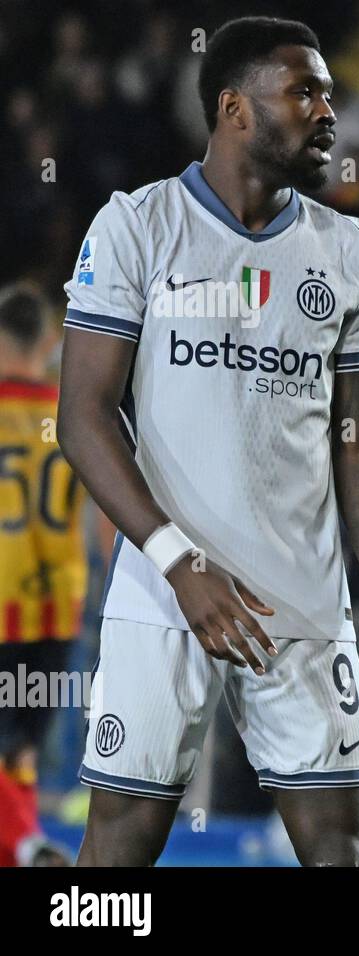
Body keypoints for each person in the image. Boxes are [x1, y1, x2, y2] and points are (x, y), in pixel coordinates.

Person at [56, 16, 359, 866]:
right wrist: (179, 563)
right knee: (121, 844)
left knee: (345, 849)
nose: (328, 111)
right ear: (234, 109)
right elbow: (82, 415)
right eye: (304, 91)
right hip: (163, 596)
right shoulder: (137, 226)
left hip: (302, 599)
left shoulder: (346, 250)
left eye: (329, 92)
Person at [0, 284, 87, 866]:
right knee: (23, 744)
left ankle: (27, 844)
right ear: (48, 343)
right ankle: (20, 847)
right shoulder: (73, 415)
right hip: (59, 601)